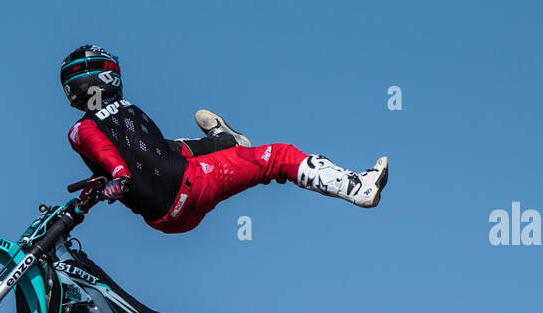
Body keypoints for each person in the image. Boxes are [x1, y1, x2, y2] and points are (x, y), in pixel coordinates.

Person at [61, 45, 388, 234]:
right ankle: (356, 187)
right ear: (105, 74)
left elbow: (135, 153)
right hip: (188, 189)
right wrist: (118, 176)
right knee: (277, 156)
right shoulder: (91, 125)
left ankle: (224, 141)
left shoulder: (95, 122)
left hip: (163, 214)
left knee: (168, 149)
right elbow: (106, 153)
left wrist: (103, 184)